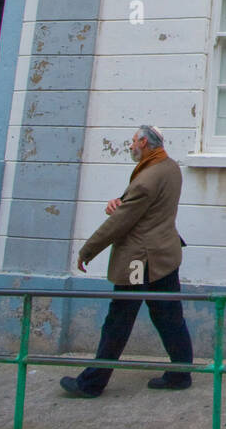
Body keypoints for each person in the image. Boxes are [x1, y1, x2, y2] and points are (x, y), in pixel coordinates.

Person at [60, 125, 194, 397]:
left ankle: (92, 383)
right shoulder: (169, 168)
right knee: (169, 316)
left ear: (144, 142)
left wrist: (87, 250)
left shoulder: (147, 177)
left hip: (140, 261)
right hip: (164, 256)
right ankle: (181, 374)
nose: (131, 145)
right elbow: (141, 204)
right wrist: (120, 200)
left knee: (119, 319)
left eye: (133, 141)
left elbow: (122, 222)